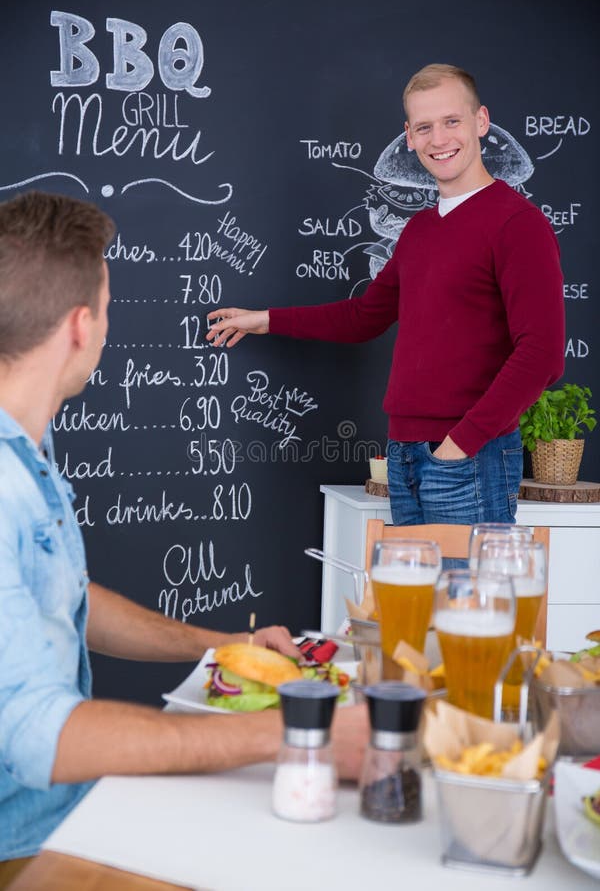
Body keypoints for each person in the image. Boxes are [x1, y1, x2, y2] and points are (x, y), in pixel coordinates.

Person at [0, 191, 368, 879]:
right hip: (24, 847)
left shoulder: (25, 455)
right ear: (81, 326)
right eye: (108, 309)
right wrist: (293, 733)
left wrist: (225, 647)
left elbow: (69, 601)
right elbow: (35, 736)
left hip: (66, 815)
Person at [205, 63, 565, 527]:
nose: (439, 139)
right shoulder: (418, 231)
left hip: (468, 458)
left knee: (464, 600)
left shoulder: (518, 224)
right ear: (409, 137)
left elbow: (543, 356)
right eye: (424, 127)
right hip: (405, 455)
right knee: (410, 601)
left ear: (481, 122)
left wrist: (460, 445)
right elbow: (365, 317)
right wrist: (266, 319)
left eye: (451, 121)